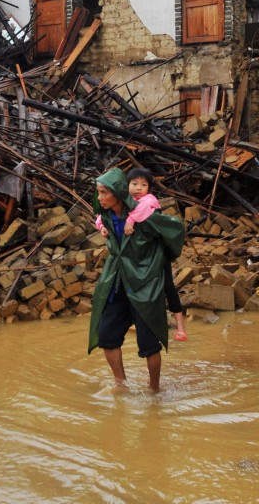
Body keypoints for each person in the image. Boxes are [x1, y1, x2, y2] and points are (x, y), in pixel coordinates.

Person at [88, 167, 185, 392]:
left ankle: (154, 389)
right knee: (107, 336)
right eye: (98, 193)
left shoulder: (146, 215)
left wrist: (158, 261)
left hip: (145, 285)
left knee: (150, 345)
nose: (99, 197)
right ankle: (120, 384)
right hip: (118, 282)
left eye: (104, 193)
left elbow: (175, 231)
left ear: (118, 192)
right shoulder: (106, 217)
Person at [95, 167, 188, 341]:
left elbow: (144, 212)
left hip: (155, 257)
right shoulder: (119, 205)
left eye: (143, 185)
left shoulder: (149, 201)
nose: (138, 188)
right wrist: (101, 227)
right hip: (133, 260)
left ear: (148, 189)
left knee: (168, 286)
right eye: (134, 184)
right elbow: (101, 217)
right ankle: (137, 321)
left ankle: (180, 327)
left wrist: (130, 220)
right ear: (125, 186)